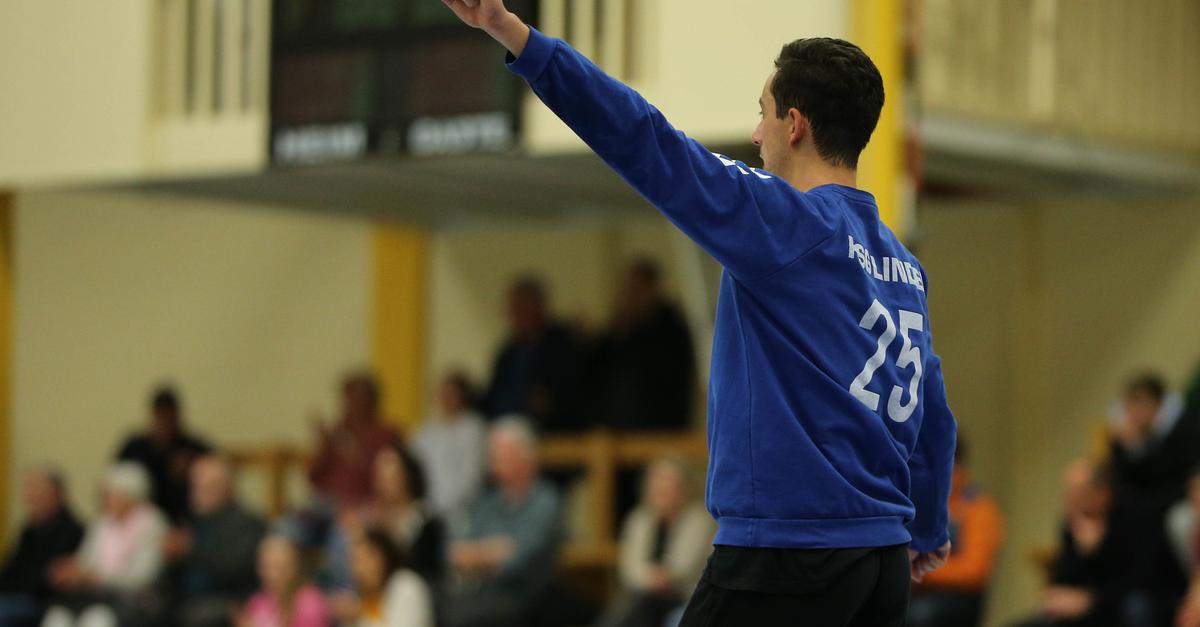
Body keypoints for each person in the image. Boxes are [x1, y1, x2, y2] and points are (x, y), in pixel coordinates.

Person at [440, 2, 958, 625]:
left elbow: (643, 138)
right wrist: (927, 526)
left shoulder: (783, 222)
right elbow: (932, 413)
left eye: (762, 115)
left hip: (787, 554)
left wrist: (514, 35)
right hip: (881, 562)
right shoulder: (901, 264)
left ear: (794, 124)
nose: (757, 134)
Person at [445, 417, 563, 627]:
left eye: (501, 453)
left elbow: (520, 558)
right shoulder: (485, 502)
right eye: (492, 453)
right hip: (480, 592)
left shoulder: (545, 501)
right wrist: (493, 551)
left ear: (525, 457)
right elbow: (454, 552)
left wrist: (477, 555)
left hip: (526, 596)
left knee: (463, 617)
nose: (493, 460)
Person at [1108, 373, 1192, 622]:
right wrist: (1131, 449)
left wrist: (1141, 450)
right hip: (1139, 511)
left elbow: (1176, 479)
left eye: (1141, 404)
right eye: (1130, 406)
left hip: (1171, 504)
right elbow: (1120, 483)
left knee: (1175, 521)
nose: (1135, 412)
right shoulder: (1123, 438)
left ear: (1157, 405)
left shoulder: (1184, 429)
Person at [43, 463, 168, 627]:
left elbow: (143, 576)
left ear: (130, 495)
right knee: (57, 616)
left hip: (133, 600)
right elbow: (86, 560)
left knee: (97, 620)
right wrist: (72, 570)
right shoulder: (101, 523)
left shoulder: (152, 523)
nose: (105, 499)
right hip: (94, 596)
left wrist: (96, 577)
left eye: (111, 494)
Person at [1010, 461, 1129, 627]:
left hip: (1109, 611)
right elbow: (1062, 578)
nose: (1068, 499)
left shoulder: (1129, 521)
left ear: (1102, 494)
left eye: (1077, 492)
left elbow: (1133, 584)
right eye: (1067, 491)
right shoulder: (1073, 524)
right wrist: (1083, 553)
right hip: (1071, 614)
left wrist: (1090, 599)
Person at [599, 455, 715, 627]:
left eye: (668, 483)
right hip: (645, 594)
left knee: (644, 603)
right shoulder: (639, 520)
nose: (661, 488)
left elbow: (682, 568)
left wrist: (661, 577)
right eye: (657, 482)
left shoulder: (699, 520)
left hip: (684, 597)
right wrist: (651, 578)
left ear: (684, 487)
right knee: (641, 601)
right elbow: (629, 569)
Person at [588, 258, 696, 431]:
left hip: (662, 429)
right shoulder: (618, 332)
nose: (632, 296)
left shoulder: (672, 330)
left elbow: (667, 378)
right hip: (620, 433)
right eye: (629, 289)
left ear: (653, 289)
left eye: (638, 289)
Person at [907, 438, 1004, 627]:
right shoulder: (918, 505)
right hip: (917, 594)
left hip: (958, 600)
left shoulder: (978, 509)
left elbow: (974, 571)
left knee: (919, 618)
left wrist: (925, 571)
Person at [164, 455, 266, 627]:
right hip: (186, 599)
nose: (197, 495)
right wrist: (172, 557)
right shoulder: (195, 521)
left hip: (230, 601)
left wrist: (190, 551)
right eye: (195, 487)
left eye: (206, 488)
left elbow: (235, 570)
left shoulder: (246, 524)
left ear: (227, 488)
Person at [328, 444, 446, 591]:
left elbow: (420, 568)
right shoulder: (371, 518)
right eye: (380, 475)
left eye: (390, 474)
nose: (383, 481)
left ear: (407, 475)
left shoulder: (425, 519)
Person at [483, 276, 583, 433]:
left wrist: (550, 401)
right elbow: (493, 397)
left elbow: (573, 389)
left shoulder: (562, 344)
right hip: (509, 433)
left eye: (523, 307)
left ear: (539, 307)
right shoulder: (508, 352)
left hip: (555, 433)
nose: (516, 314)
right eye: (514, 308)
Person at [0, 466, 85, 627]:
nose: (30, 499)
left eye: (38, 494)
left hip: (44, 602)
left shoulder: (73, 530)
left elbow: (48, 578)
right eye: (29, 494)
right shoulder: (30, 529)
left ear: (56, 495)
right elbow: (10, 569)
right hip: (15, 595)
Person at [309, 371, 404, 511]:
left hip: (362, 505)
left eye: (355, 398)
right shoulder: (337, 431)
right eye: (346, 399)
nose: (347, 405)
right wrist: (324, 444)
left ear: (371, 401)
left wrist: (349, 450)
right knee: (288, 527)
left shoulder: (387, 435)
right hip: (326, 501)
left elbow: (385, 481)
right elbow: (313, 477)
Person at [115, 386, 212, 522]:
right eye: (161, 418)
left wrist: (191, 469)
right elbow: (113, 483)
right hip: (138, 524)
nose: (165, 425)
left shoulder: (192, 450)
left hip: (186, 523)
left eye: (170, 419)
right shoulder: (135, 448)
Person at [412, 371, 487, 531]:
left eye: (452, 393)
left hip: (463, 513)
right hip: (425, 510)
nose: (446, 398)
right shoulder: (426, 431)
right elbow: (413, 469)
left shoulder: (474, 429)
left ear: (463, 396)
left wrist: (441, 506)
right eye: (443, 393)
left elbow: (471, 478)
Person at [329, 528, 435, 627]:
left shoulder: (407, 584)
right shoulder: (364, 599)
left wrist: (358, 618)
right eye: (352, 562)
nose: (357, 570)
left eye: (361, 560)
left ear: (382, 557)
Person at [238, 535, 331, 627]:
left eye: (278, 567)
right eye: (266, 567)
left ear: (294, 567)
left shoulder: (311, 604)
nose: (271, 574)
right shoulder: (258, 601)